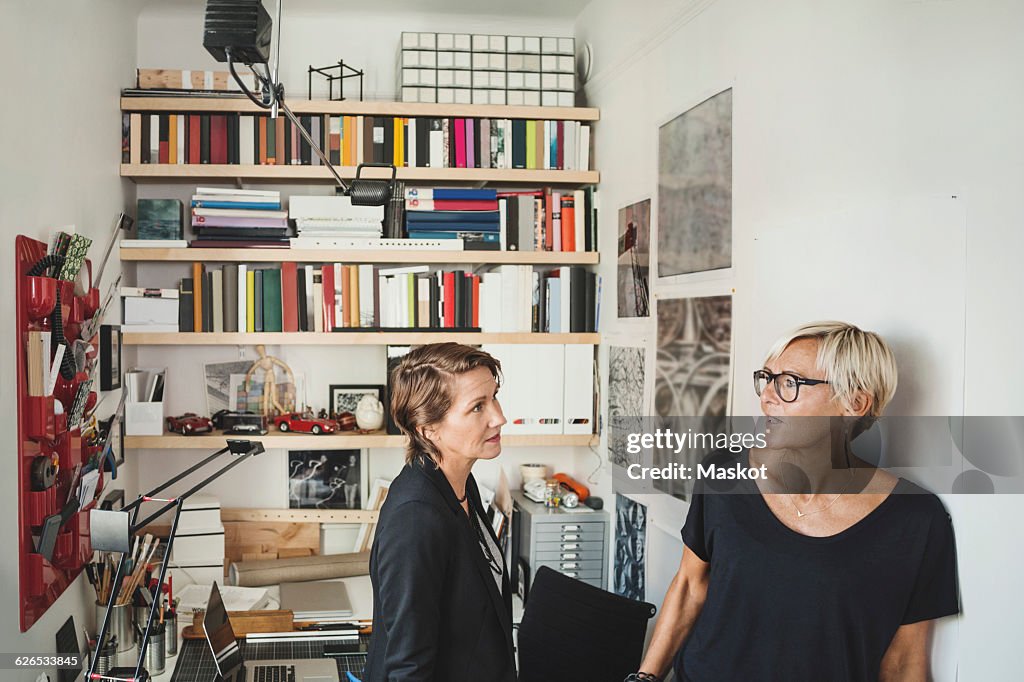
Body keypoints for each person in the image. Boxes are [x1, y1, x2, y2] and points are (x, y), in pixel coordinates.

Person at [625, 321, 960, 682]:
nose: (767, 395)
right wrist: (645, 677)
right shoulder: (723, 472)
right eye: (767, 378)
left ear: (854, 403)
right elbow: (691, 584)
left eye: (790, 383)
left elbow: (903, 661)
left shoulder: (914, 519)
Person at [363, 342, 515, 681]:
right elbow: (409, 668)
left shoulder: (460, 484)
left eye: (494, 397)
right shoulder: (416, 518)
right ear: (427, 428)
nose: (499, 417)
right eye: (478, 407)